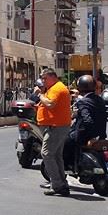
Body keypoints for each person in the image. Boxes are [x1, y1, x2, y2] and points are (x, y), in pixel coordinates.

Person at [34, 68, 72, 196]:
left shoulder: (57, 88)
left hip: (56, 127)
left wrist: (39, 94)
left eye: (44, 78)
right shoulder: (53, 88)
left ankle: (57, 185)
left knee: (47, 154)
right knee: (55, 156)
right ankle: (61, 183)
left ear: (52, 77)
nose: (42, 81)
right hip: (56, 126)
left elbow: (50, 104)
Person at [69, 74, 107, 164]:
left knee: (65, 141)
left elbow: (87, 120)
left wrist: (91, 136)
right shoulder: (100, 100)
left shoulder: (83, 102)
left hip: (86, 136)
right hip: (101, 134)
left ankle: (71, 165)